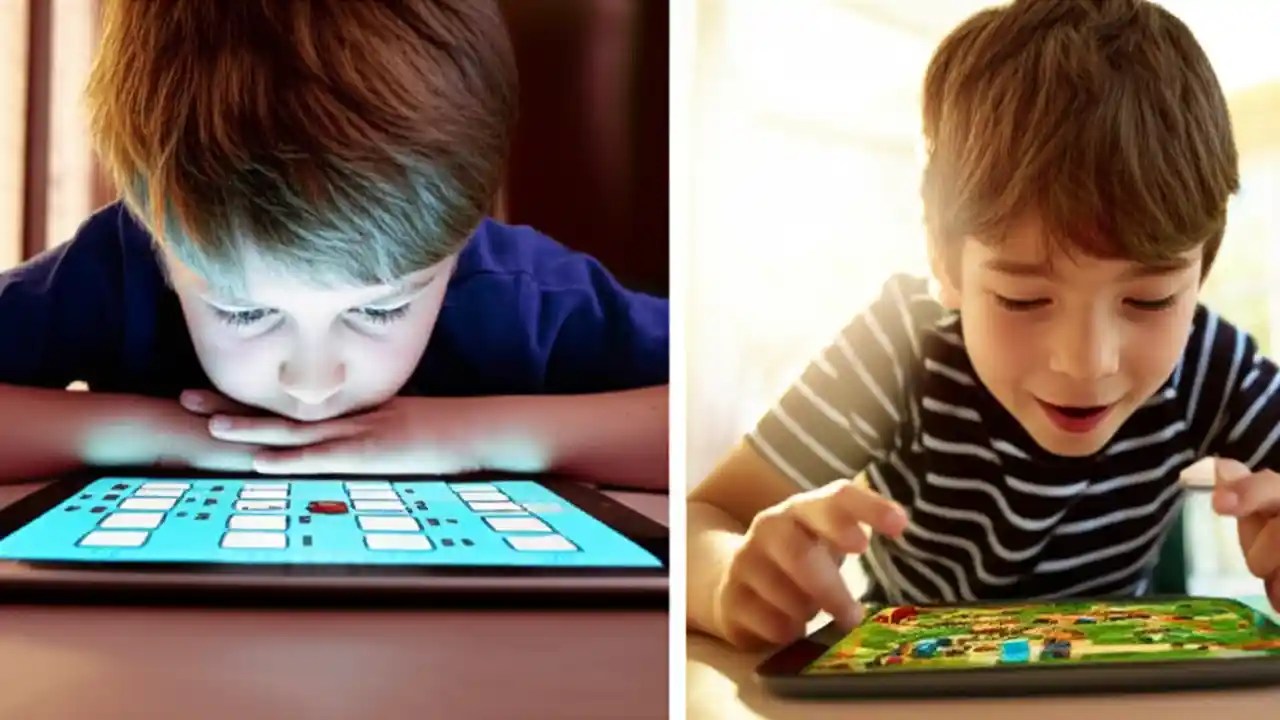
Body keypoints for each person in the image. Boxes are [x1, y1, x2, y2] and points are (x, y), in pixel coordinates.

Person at [687, 0, 1280, 649]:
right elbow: (704, 518)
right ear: (946, 262)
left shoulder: (1207, 361)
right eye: (1024, 300)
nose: (1087, 362)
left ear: (1201, 274)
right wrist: (725, 581)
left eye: (1150, 301)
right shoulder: (898, 348)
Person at [0, 0, 668, 490]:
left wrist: (460, 437)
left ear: (460, 239)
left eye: (379, 311)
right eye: (244, 312)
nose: (313, 384)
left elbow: (699, 432)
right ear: (156, 232)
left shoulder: (521, 295)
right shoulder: (120, 266)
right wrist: (165, 438)